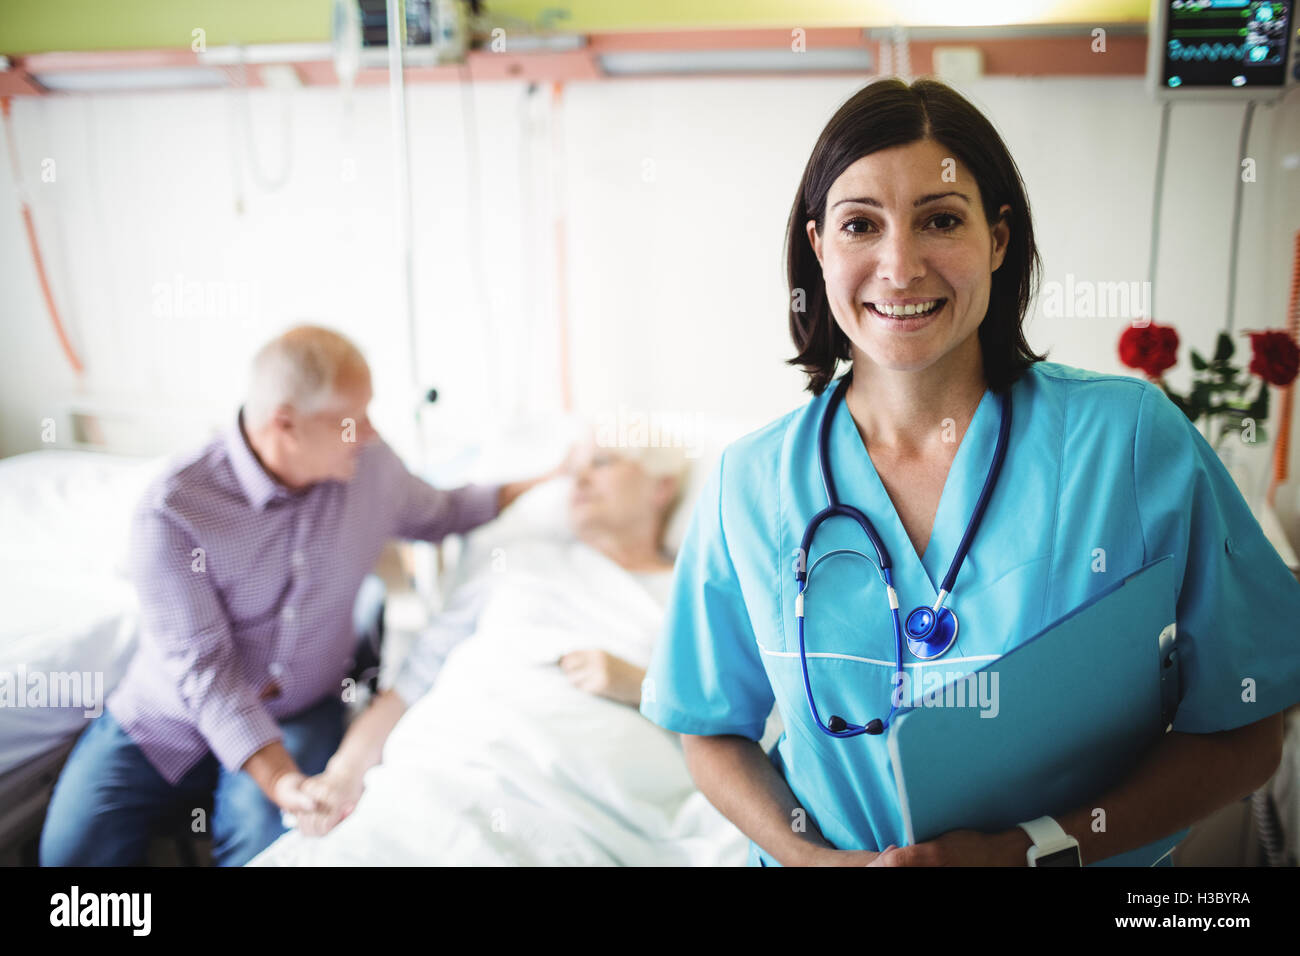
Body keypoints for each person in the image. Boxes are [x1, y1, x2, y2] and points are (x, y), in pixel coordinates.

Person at [638, 77, 1300, 867]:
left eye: (941, 220)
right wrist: (816, 862)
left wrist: (1035, 850)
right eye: (860, 225)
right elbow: (709, 727)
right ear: (819, 250)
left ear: (997, 238)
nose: (900, 265)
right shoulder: (747, 484)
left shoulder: (1130, 443)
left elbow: (1249, 729)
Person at [39, 325, 550, 866]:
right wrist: (278, 777)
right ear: (285, 425)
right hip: (165, 719)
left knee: (276, 849)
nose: (370, 433)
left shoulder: (370, 471)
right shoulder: (174, 512)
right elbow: (206, 671)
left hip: (299, 711)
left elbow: (445, 512)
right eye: (353, 420)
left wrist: (548, 478)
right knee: (70, 863)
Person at [286, 437, 688, 839]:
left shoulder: (688, 594)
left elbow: (736, 717)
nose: (578, 479)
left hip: (593, 808)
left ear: (661, 486)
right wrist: (342, 773)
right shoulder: (518, 563)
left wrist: (644, 685)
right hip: (451, 767)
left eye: (602, 463)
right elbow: (412, 684)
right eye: (574, 469)